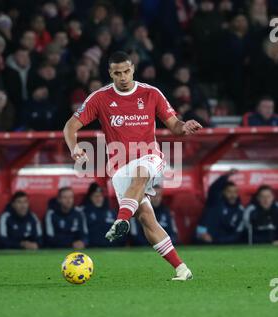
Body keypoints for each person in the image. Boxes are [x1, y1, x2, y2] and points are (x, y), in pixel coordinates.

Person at [64, 51, 202, 281]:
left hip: (149, 157)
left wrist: (184, 126)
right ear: (110, 73)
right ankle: (181, 269)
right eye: (117, 73)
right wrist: (74, 148)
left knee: (141, 173)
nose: (123, 77)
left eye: (126, 71)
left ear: (133, 69)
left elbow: (174, 125)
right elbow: (70, 127)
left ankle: (121, 219)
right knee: (147, 219)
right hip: (119, 168)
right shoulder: (99, 98)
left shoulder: (151, 93)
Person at [196, 172, 244, 244]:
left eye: (235, 192)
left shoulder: (240, 210)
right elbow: (213, 189)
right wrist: (226, 176)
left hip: (226, 243)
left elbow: (238, 233)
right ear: (223, 192)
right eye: (229, 192)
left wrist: (219, 240)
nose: (232, 195)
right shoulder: (215, 203)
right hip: (206, 241)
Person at [82, 183, 124, 247]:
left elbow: (119, 231)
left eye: (100, 196)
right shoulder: (84, 212)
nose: (98, 198)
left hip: (113, 248)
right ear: (90, 197)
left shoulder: (112, 212)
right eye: (95, 196)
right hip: (92, 249)